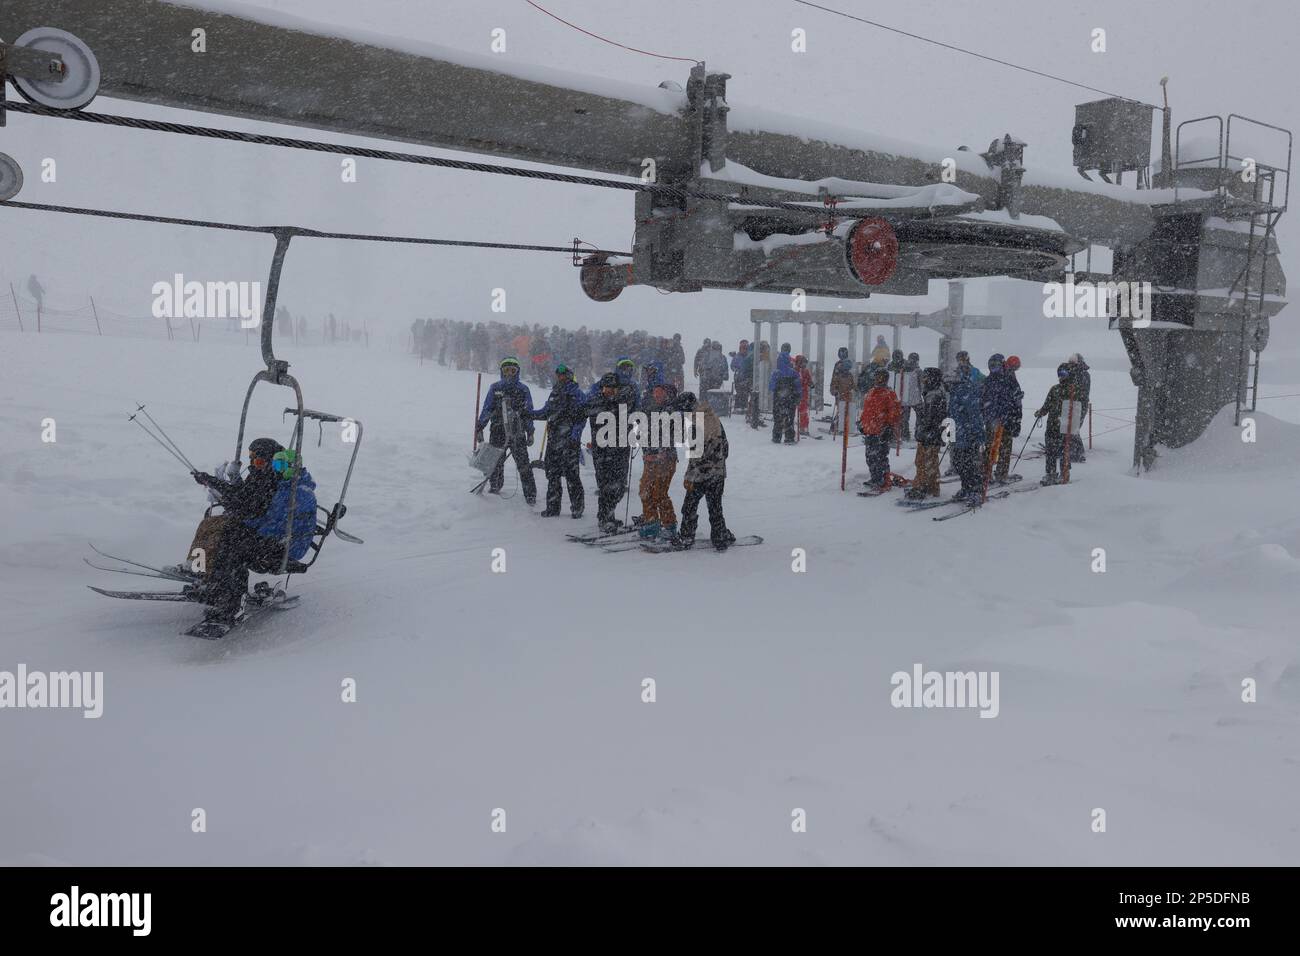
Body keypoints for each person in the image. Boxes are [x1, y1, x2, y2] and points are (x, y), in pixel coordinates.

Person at [190, 439, 318, 622]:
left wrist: (247, 526)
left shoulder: (297, 492)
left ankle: (229, 605)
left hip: (286, 545)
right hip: (274, 538)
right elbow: (262, 513)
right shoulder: (284, 486)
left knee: (236, 547)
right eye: (276, 464)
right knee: (228, 534)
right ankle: (211, 582)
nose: (277, 469)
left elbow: (271, 520)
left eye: (280, 465)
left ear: (292, 466)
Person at [672, 392, 735, 549]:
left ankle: (686, 536)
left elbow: (695, 457)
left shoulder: (696, 424)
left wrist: (689, 477)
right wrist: (717, 463)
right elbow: (726, 448)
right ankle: (720, 537)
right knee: (715, 507)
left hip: (701, 474)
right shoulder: (713, 417)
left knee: (689, 506)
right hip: (718, 473)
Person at [476, 357, 538, 505]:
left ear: (517, 372)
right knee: (496, 461)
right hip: (497, 430)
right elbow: (487, 408)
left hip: (517, 432)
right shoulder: (495, 388)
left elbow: (529, 411)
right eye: (506, 370)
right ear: (502, 372)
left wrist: (530, 432)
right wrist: (480, 427)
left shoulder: (523, 389)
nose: (509, 373)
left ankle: (530, 494)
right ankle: (495, 485)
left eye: (512, 370)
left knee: (523, 464)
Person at [530, 364, 587, 518]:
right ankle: (553, 508)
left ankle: (577, 507)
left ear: (569, 375)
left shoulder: (578, 394)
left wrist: (574, 437)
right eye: (558, 375)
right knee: (552, 475)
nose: (561, 378)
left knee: (572, 476)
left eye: (564, 375)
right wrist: (529, 414)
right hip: (553, 441)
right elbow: (545, 412)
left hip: (569, 442)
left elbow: (582, 419)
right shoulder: (554, 393)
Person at [585, 371, 637, 532]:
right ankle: (605, 517)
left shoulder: (623, 402)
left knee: (620, 486)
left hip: (621, 450)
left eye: (613, 389)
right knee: (605, 486)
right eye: (606, 388)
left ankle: (610, 515)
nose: (609, 391)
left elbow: (633, 406)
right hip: (602, 451)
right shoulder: (596, 402)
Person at [637, 380, 680, 539]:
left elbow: (674, 435)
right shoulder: (650, 410)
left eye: (660, 392)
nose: (656, 395)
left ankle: (669, 526)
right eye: (655, 392)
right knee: (645, 490)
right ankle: (651, 523)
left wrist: (660, 452)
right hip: (650, 460)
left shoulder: (672, 412)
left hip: (665, 460)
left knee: (659, 493)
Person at [905, 367, 948, 499]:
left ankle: (928, 487)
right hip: (927, 434)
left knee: (928, 462)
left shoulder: (937, 395)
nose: (924, 380)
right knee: (921, 461)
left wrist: (929, 431)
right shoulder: (929, 393)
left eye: (926, 378)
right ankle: (923, 484)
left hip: (931, 435)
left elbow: (936, 418)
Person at [980, 353, 1023, 483]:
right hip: (991, 420)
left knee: (1004, 447)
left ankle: (1001, 473)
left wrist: (1017, 420)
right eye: (991, 366)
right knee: (990, 447)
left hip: (1007, 419)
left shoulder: (1009, 379)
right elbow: (982, 399)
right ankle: (986, 473)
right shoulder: (988, 381)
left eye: (996, 366)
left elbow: (1017, 401)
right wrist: (982, 413)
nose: (993, 369)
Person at [948, 362, 986, 501]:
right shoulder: (955, 391)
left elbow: (974, 414)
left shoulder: (966, 390)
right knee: (959, 463)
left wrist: (978, 434)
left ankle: (975, 489)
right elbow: (952, 414)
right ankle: (966, 487)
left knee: (969, 464)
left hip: (969, 435)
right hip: (958, 434)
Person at [858, 368, 902, 488]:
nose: (878, 379)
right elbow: (866, 410)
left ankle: (882, 478)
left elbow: (894, 413)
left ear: (886, 379)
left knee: (880, 456)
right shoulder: (871, 392)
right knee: (870, 456)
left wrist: (888, 427)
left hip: (881, 431)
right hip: (870, 430)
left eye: (881, 377)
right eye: (877, 377)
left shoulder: (889, 393)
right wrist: (862, 423)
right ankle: (875, 477)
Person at [1034, 364, 1076, 485]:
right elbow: (1047, 404)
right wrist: (1041, 412)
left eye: (1064, 374)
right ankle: (1051, 473)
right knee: (1051, 450)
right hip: (1052, 424)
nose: (1061, 377)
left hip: (1065, 426)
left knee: (1065, 451)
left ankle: (1065, 474)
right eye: (1059, 374)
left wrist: (1073, 426)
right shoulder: (1054, 389)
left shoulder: (1074, 389)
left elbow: (1078, 408)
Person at [769, 344, 802, 443]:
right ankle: (789, 437)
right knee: (790, 418)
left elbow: (771, 387)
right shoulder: (794, 373)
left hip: (778, 399)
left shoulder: (775, 373)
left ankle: (776, 436)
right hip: (790, 400)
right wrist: (798, 397)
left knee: (777, 418)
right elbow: (798, 387)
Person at [1066, 352, 1091, 463]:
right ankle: (1072, 450)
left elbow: (1081, 391)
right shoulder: (1074, 372)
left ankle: (1078, 452)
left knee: (1073, 428)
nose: (1070, 365)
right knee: (1071, 428)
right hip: (1073, 404)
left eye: (1072, 363)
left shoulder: (1083, 374)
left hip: (1079, 405)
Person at [829, 346, 855, 436]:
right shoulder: (847, 371)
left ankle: (839, 426)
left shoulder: (839, 368)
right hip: (843, 391)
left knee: (842, 409)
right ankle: (839, 426)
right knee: (843, 409)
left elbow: (834, 378)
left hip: (842, 391)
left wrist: (833, 389)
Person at [897, 352, 922, 441]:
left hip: (906, 397)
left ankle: (905, 435)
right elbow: (921, 384)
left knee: (905, 418)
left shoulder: (903, 369)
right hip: (915, 397)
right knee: (919, 416)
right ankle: (917, 434)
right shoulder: (918, 371)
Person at [794, 354, 814, 436]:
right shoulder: (795, 371)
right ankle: (789, 426)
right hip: (796, 393)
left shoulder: (805, 371)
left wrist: (811, 384)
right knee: (793, 410)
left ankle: (803, 427)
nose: (804, 365)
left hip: (803, 393)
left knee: (803, 411)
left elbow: (809, 380)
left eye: (805, 363)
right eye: (803, 363)